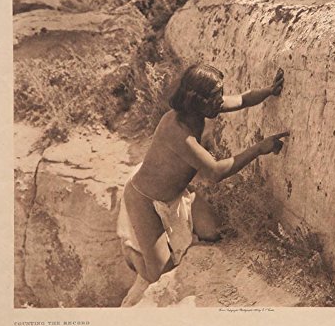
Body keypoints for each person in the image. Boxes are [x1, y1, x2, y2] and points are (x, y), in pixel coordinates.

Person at [117, 64, 289, 284]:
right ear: (197, 100)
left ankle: (178, 225)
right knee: (159, 274)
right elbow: (215, 172)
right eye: (216, 95)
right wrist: (259, 149)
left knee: (212, 233)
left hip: (177, 191)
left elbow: (242, 99)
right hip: (145, 200)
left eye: (220, 93)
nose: (221, 99)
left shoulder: (201, 108)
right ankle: (131, 252)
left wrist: (269, 91)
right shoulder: (177, 130)